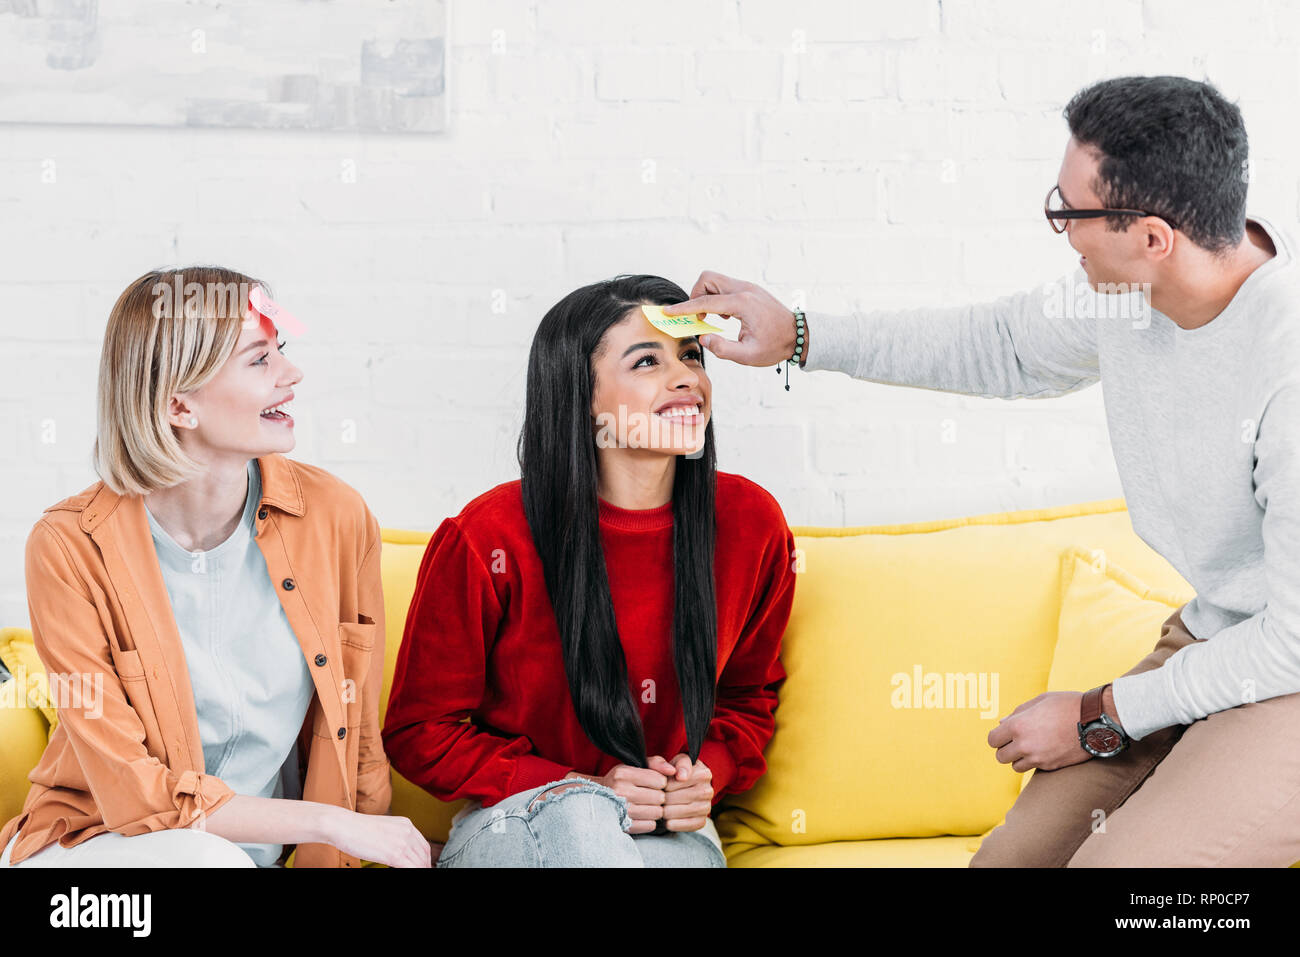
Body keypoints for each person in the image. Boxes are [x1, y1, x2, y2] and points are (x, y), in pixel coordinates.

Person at [661, 75, 1300, 867]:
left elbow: (1291, 642)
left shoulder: (1287, 366)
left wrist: (1100, 712)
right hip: (1215, 635)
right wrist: (797, 333)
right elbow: (1000, 346)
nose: (1062, 231)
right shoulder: (1128, 296)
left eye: (1071, 214)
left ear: (1154, 237)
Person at [0, 266, 430, 868]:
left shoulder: (336, 517)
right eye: (259, 360)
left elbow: (354, 737)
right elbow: (133, 795)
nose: (292, 374)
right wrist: (327, 823)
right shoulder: (70, 546)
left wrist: (352, 842)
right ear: (180, 404)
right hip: (97, 853)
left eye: (282, 350)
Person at [382, 274, 796, 867]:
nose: (686, 378)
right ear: (581, 395)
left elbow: (747, 696)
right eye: (646, 361)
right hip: (520, 814)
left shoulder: (751, 523)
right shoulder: (486, 536)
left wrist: (709, 773)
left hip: (665, 831)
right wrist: (582, 786)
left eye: (690, 356)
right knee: (580, 819)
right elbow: (422, 730)